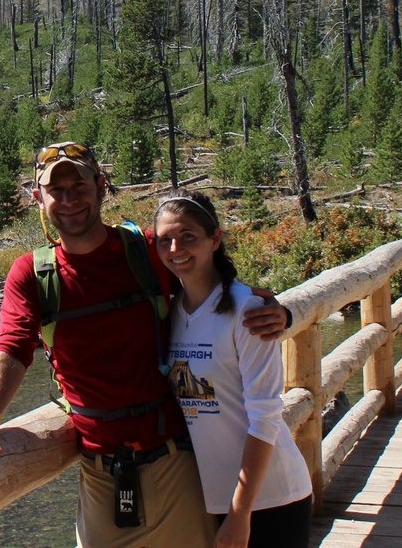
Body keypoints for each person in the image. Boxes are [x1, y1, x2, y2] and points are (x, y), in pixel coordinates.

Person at [0, 142, 289, 548]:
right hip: (98, 471)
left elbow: (210, 289)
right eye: (57, 190)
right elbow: (15, 343)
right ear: (39, 197)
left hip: (175, 463)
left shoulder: (144, 251)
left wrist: (281, 311)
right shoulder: (32, 274)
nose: (69, 200)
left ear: (101, 187)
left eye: (79, 185)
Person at [156, 193, 313, 548]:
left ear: (215, 239)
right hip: (208, 499)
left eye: (188, 236)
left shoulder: (248, 312)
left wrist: (240, 513)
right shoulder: (171, 312)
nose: (176, 247)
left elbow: (265, 417)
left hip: (271, 498)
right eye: (165, 240)